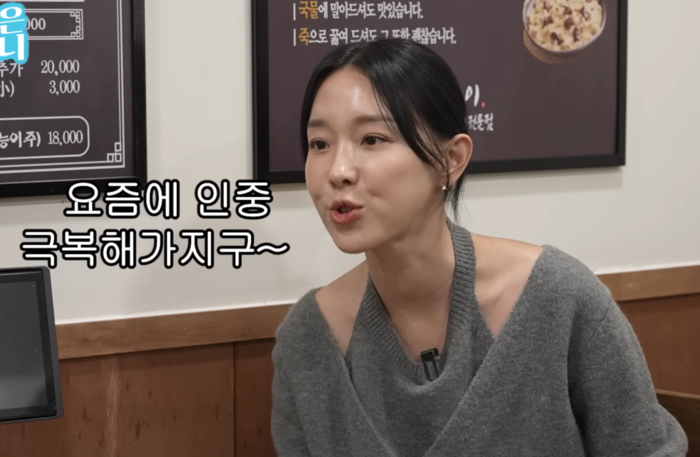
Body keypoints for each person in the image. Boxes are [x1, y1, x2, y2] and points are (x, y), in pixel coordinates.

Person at [270, 38, 688, 457]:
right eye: (319, 144)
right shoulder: (306, 340)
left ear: (451, 159)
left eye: (372, 139)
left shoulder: (558, 298)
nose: (338, 171)